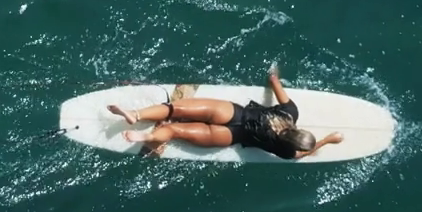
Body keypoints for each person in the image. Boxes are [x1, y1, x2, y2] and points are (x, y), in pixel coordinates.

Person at [107, 64, 344, 159]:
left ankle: (136, 115)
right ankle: (149, 136)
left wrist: (273, 71)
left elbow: (274, 81)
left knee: (174, 109)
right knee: (175, 130)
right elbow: (301, 155)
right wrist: (328, 140)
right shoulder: (286, 151)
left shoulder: (290, 112)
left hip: (231, 113)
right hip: (230, 136)